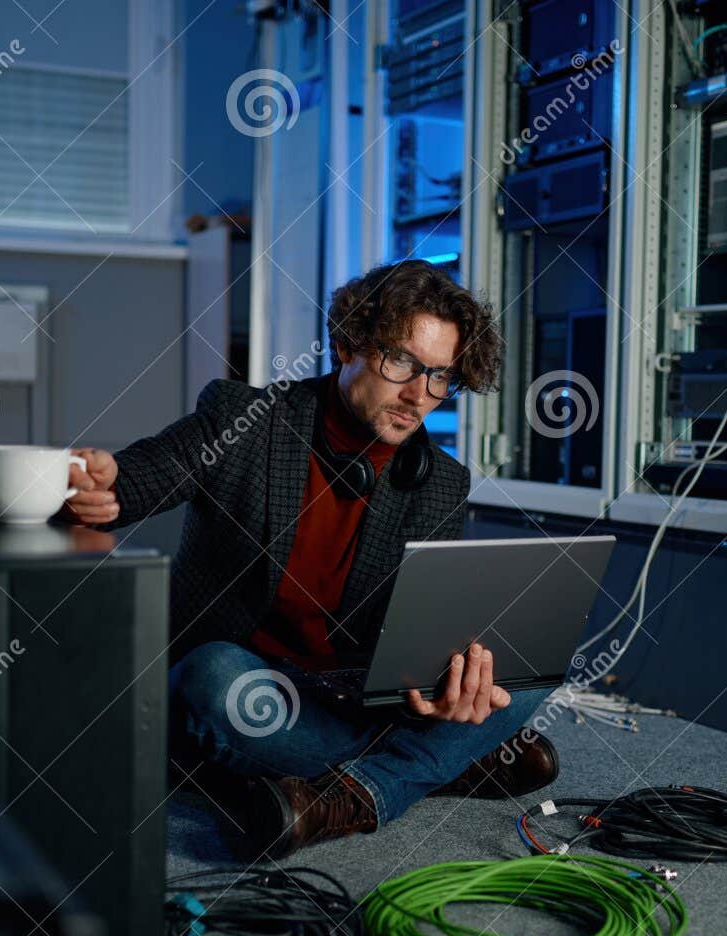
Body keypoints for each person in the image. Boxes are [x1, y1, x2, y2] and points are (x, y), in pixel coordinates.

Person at [62, 260, 559, 857]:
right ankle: (444, 766)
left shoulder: (440, 483)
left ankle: (354, 792)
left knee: (535, 659)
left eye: (439, 377)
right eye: (400, 362)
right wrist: (109, 486)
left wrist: (453, 678)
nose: (418, 396)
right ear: (347, 342)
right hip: (253, 690)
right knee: (212, 675)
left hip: (352, 700)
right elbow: (150, 472)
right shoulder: (244, 419)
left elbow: (412, 636)